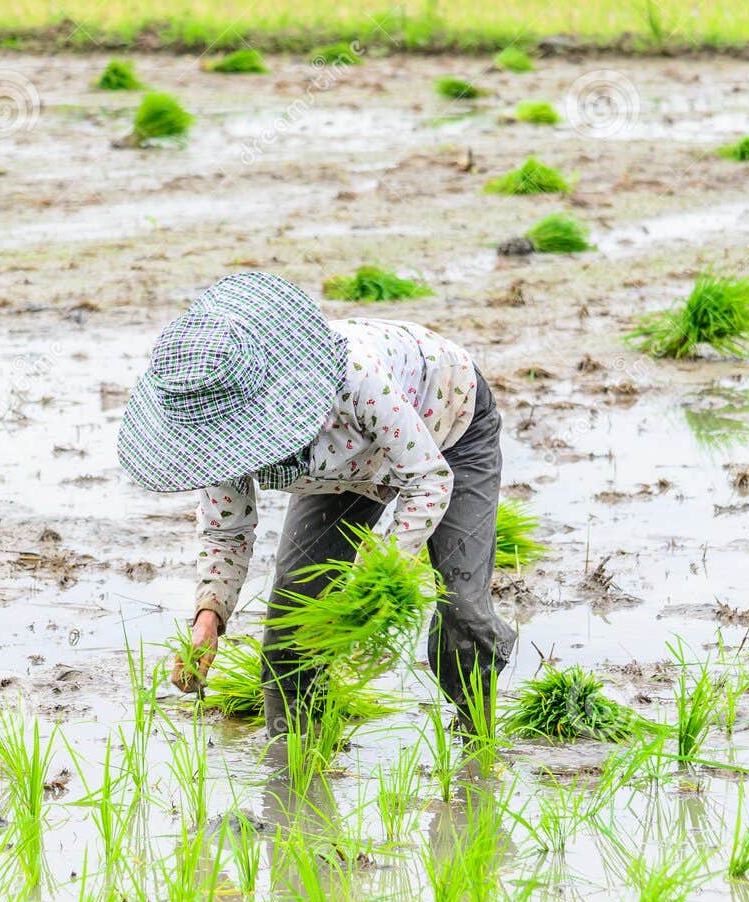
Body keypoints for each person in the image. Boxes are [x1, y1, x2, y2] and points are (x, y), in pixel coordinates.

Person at [117, 272, 515, 738]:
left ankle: (477, 737)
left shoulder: (354, 377)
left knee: (463, 609)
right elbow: (226, 528)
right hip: (342, 472)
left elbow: (428, 478)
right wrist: (209, 616)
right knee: (293, 620)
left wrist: (372, 581)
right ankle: (293, 760)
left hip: (446, 426)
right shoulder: (216, 434)